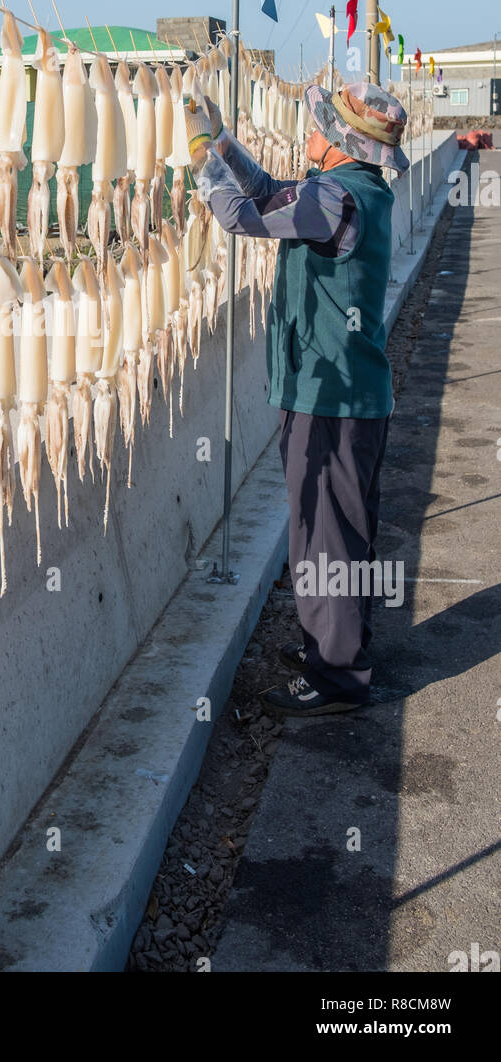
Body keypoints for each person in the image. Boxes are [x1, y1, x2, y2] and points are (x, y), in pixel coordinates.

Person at [189, 80, 410, 716]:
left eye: (317, 124)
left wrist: (201, 157)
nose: (308, 132)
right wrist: (224, 142)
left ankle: (338, 678)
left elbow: (241, 216)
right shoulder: (353, 189)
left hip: (328, 395)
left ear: (341, 142)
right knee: (347, 530)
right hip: (353, 391)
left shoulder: (335, 196)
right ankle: (340, 650)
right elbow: (265, 190)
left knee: (325, 535)